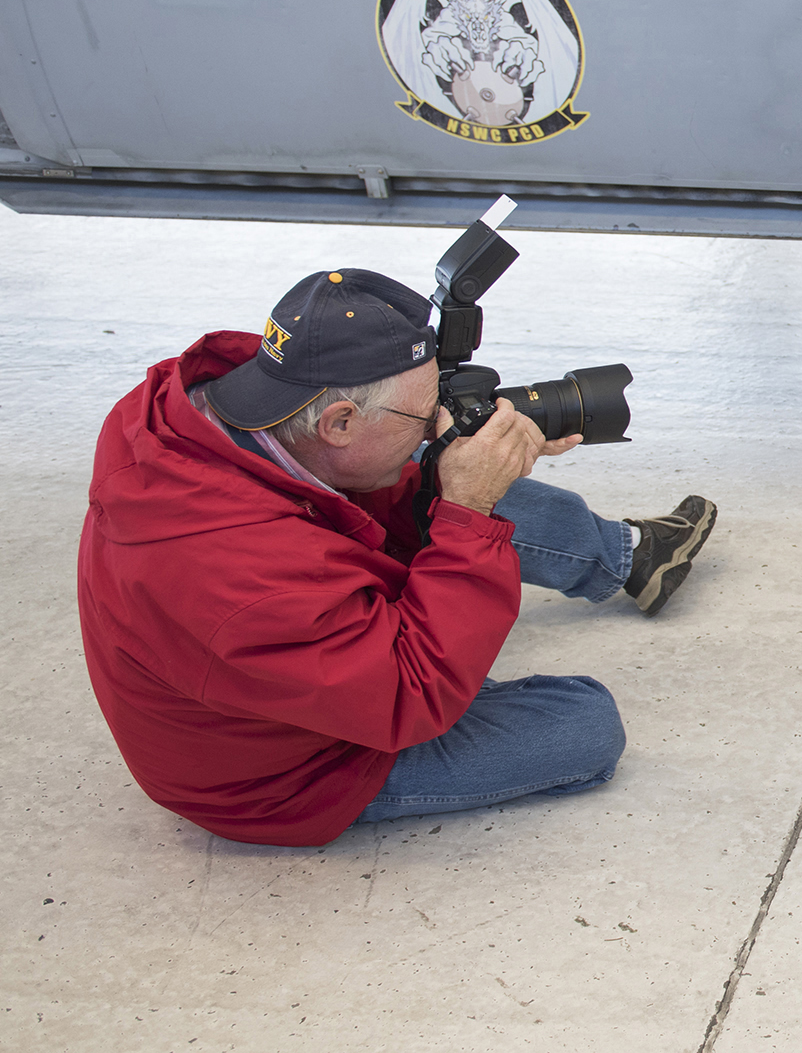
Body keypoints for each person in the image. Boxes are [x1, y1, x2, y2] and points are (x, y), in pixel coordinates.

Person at [77, 268, 719, 846]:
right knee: (584, 725)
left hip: (289, 678)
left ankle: (633, 557)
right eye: (423, 409)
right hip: (283, 775)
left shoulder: (204, 413)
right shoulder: (242, 576)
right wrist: (470, 513)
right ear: (339, 421)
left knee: (431, 462)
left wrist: (452, 461)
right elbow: (410, 698)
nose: (437, 415)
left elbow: (376, 486)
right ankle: (477, 618)